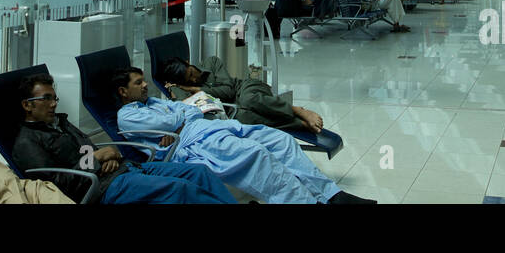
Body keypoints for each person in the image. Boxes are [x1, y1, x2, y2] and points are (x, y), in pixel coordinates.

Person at [112, 67, 374, 204]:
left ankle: (331, 194)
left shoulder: (153, 104)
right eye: (138, 83)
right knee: (255, 155)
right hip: (192, 144)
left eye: (144, 80)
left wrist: (181, 117)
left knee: (279, 140)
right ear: (123, 91)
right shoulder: (127, 115)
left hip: (208, 127)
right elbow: (180, 113)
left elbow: (185, 112)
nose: (145, 85)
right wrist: (182, 116)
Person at [11, 74, 235, 204]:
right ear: (27, 105)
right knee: (179, 190)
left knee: (199, 172)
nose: (53, 104)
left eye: (54, 98)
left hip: (124, 168)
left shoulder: (60, 123)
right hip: (103, 188)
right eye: (46, 99)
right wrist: (98, 159)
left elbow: (86, 151)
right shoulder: (26, 143)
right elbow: (56, 185)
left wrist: (109, 156)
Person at [160, 56, 324, 133]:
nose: (194, 78)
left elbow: (228, 90)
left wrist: (197, 90)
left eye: (191, 72)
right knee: (243, 118)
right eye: (189, 80)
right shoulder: (185, 90)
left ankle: (297, 110)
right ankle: (299, 124)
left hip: (246, 88)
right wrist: (183, 90)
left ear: (188, 62)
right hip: (233, 108)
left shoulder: (212, 62)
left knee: (249, 99)